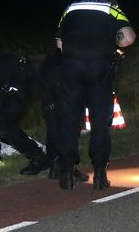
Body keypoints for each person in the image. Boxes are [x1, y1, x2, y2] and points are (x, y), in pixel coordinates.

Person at [54, 0, 136, 190]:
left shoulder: (70, 7)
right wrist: (111, 41)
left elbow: (59, 44)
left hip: (70, 66)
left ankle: (66, 174)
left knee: (69, 121)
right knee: (100, 122)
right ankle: (100, 174)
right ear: (113, 3)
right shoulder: (112, 9)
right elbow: (128, 38)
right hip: (99, 66)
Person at [18, 43, 89, 182]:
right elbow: (44, 82)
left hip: (66, 100)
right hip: (58, 101)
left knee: (65, 133)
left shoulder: (69, 58)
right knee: (61, 133)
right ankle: (60, 166)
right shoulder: (54, 62)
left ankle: (61, 166)